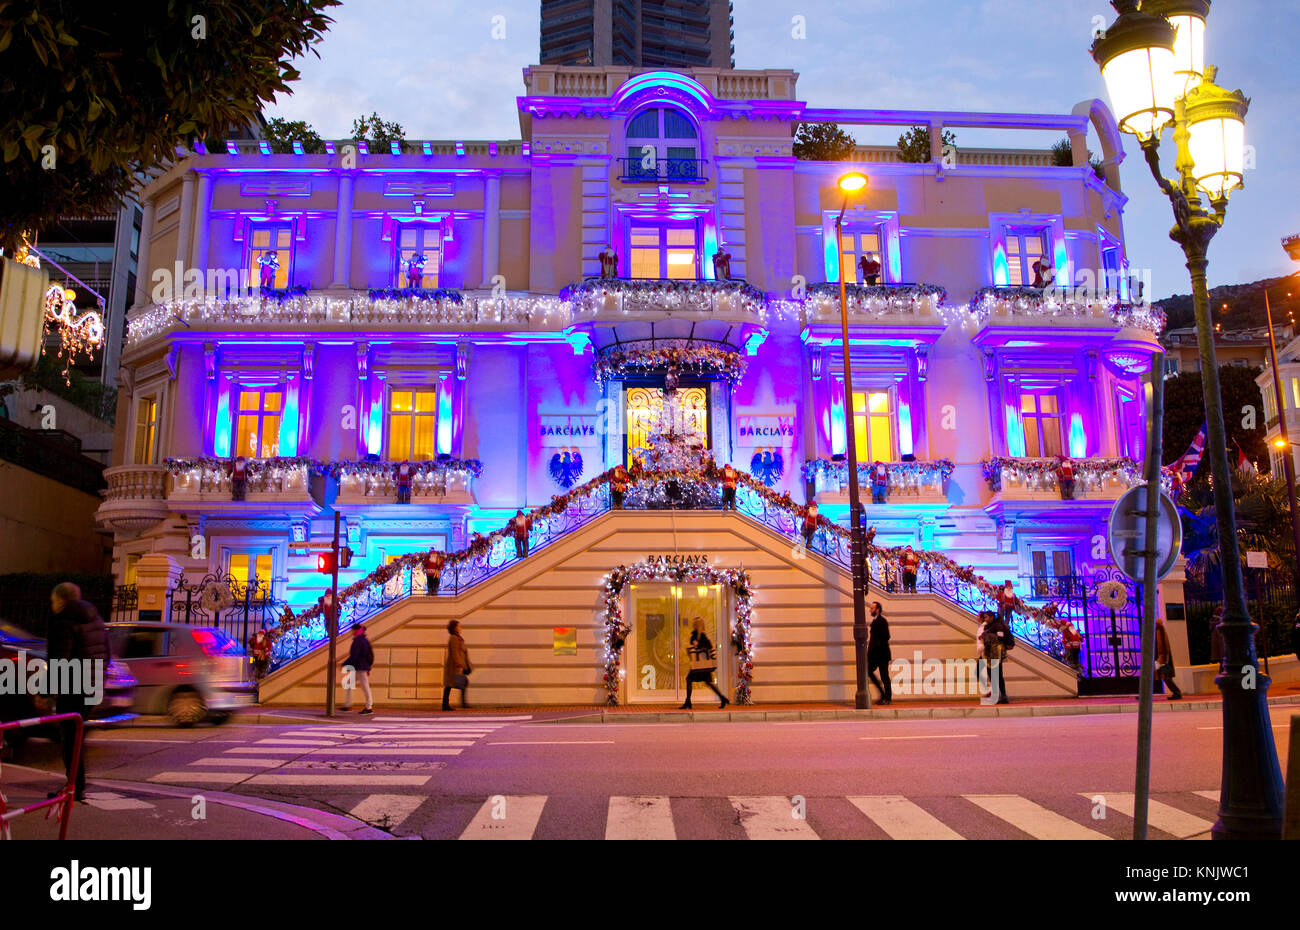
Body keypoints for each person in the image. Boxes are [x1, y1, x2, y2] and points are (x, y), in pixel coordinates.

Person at [46, 582, 109, 802]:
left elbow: (58, 660)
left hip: (73, 687)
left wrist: (46, 691)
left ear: (61, 600)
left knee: (70, 739)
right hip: (93, 685)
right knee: (76, 737)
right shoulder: (96, 619)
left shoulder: (63, 622)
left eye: (53, 601)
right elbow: (106, 654)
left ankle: (74, 787)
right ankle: (75, 785)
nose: (52, 606)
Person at [680, 618, 729, 709]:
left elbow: (704, 646)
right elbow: (706, 646)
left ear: (696, 625)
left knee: (690, 680)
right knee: (708, 682)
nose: (693, 625)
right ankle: (722, 698)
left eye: (694, 623)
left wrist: (697, 645)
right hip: (702, 665)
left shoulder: (699, 636)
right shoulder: (700, 635)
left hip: (699, 665)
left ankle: (688, 702)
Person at [341, 624, 374, 714]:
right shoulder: (363, 640)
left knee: (364, 686)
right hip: (361, 666)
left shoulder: (358, 641)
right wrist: (368, 667)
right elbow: (369, 654)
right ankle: (348, 704)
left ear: (356, 630)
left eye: (352, 630)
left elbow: (354, 655)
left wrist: (345, 664)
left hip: (360, 667)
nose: (351, 632)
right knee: (351, 684)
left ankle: (368, 707)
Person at [442, 620, 472, 711]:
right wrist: (460, 664)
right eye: (458, 626)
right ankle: (445, 704)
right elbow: (455, 653)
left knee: (459, 683)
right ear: (454, 628)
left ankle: (461, 703)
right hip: (454, 666)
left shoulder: (458, 638)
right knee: (450, 685)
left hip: (457, 666)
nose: (460, 627)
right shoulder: (454, 638)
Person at [976, 611, 1003, 706]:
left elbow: (988, 638)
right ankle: (992, 691)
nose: (976, 617)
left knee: (993, 674)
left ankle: (995, 693)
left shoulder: (986, 626)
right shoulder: (983, 626)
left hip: (987, 652)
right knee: (983, 672)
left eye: (978, 616)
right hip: (984, 652)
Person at [867, 601, 892, 705]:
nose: (870, 610)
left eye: (872, 608)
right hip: (877, 654)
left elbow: (886, 636)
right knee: (871, 672)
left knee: (884, 676)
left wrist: (874, 648)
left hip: (881, 654)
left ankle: (887, 697)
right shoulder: (876, 621)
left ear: (877, 609)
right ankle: (884, 695)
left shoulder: (882, 621)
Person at [1154, 616, 1183, 700]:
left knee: (1166, 677)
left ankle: (1177, 692)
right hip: (1160, 658)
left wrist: (1161, 660)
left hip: (1162, 659)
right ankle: (1177, 692)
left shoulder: (1159, 630)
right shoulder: (1157, 630)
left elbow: (1162, 645)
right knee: (1161, 677)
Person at [1209, 605, 1225, 671]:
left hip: (1219, 652)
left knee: (1222, 667)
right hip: (1223, 652)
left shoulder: (1214, 623)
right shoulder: (1220, 625)